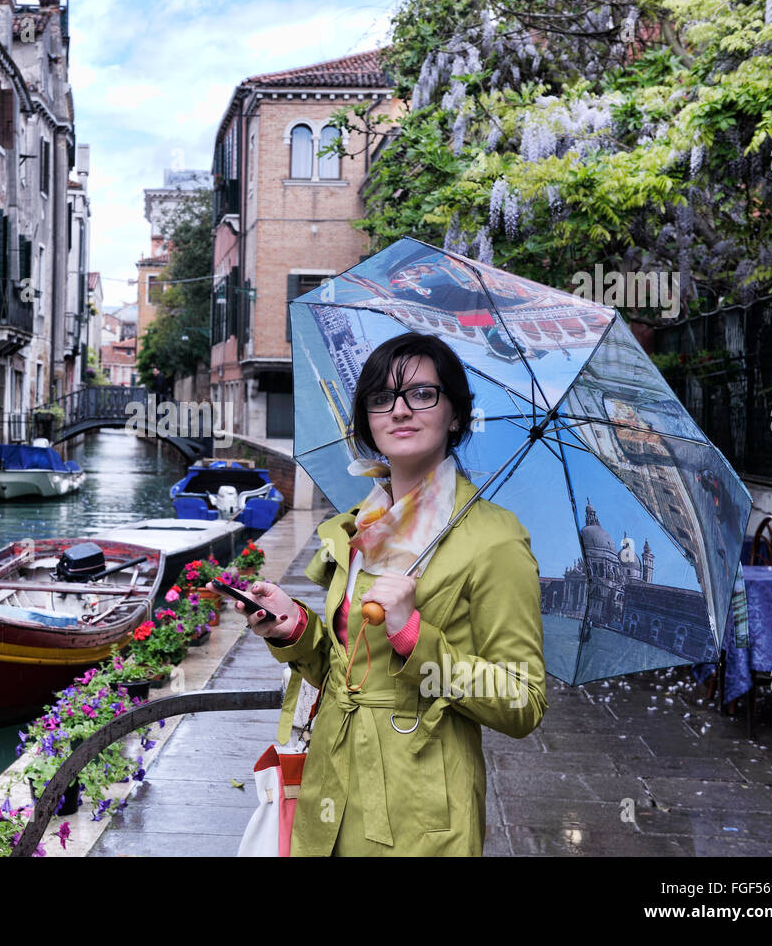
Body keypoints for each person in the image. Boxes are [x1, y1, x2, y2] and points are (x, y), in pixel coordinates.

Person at [218, 332, 546, 856]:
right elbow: (346, 669)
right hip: (330, 784)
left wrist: (416, 637)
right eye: (380, 398)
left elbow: (522, 702)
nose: (399, 410)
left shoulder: (495, 540)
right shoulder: (360, 526)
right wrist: (295, 629)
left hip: (420, 813)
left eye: (422, 394)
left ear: (455, 414)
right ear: (367, 418)